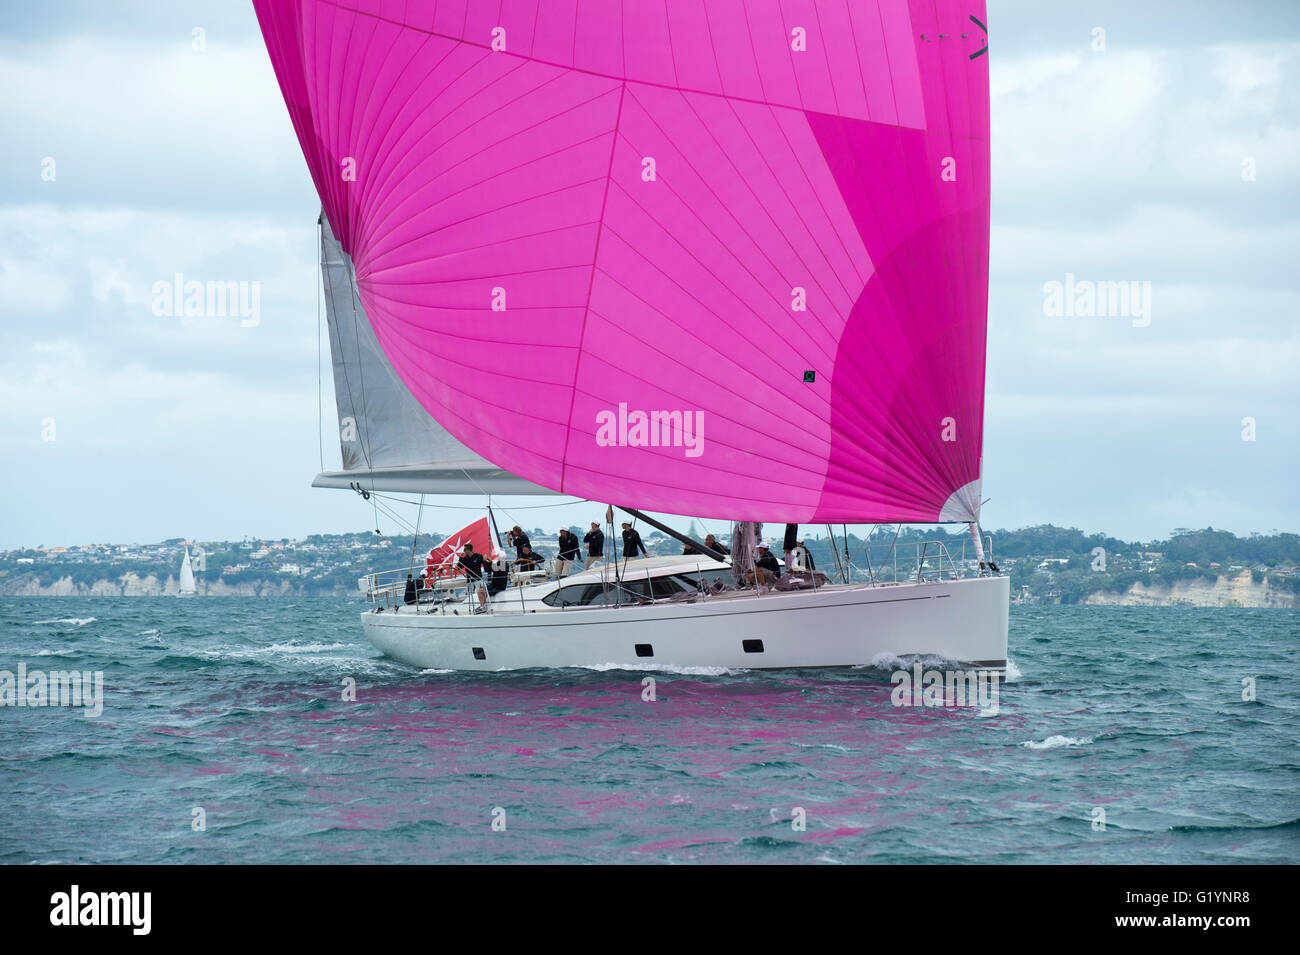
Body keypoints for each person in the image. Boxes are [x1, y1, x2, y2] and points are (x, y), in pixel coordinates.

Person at [457, 542, 489, 612]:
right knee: (470, 594)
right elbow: (459, 567)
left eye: (465, 550)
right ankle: (472, 608)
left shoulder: (478, 556)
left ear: (469, 550)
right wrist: (460, 558)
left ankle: (482, 606)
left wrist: (485, 559)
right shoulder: (465, 559)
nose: (464, 551)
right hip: (469, 579)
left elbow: (485, 564)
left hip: (477, 578)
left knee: (480, 592)